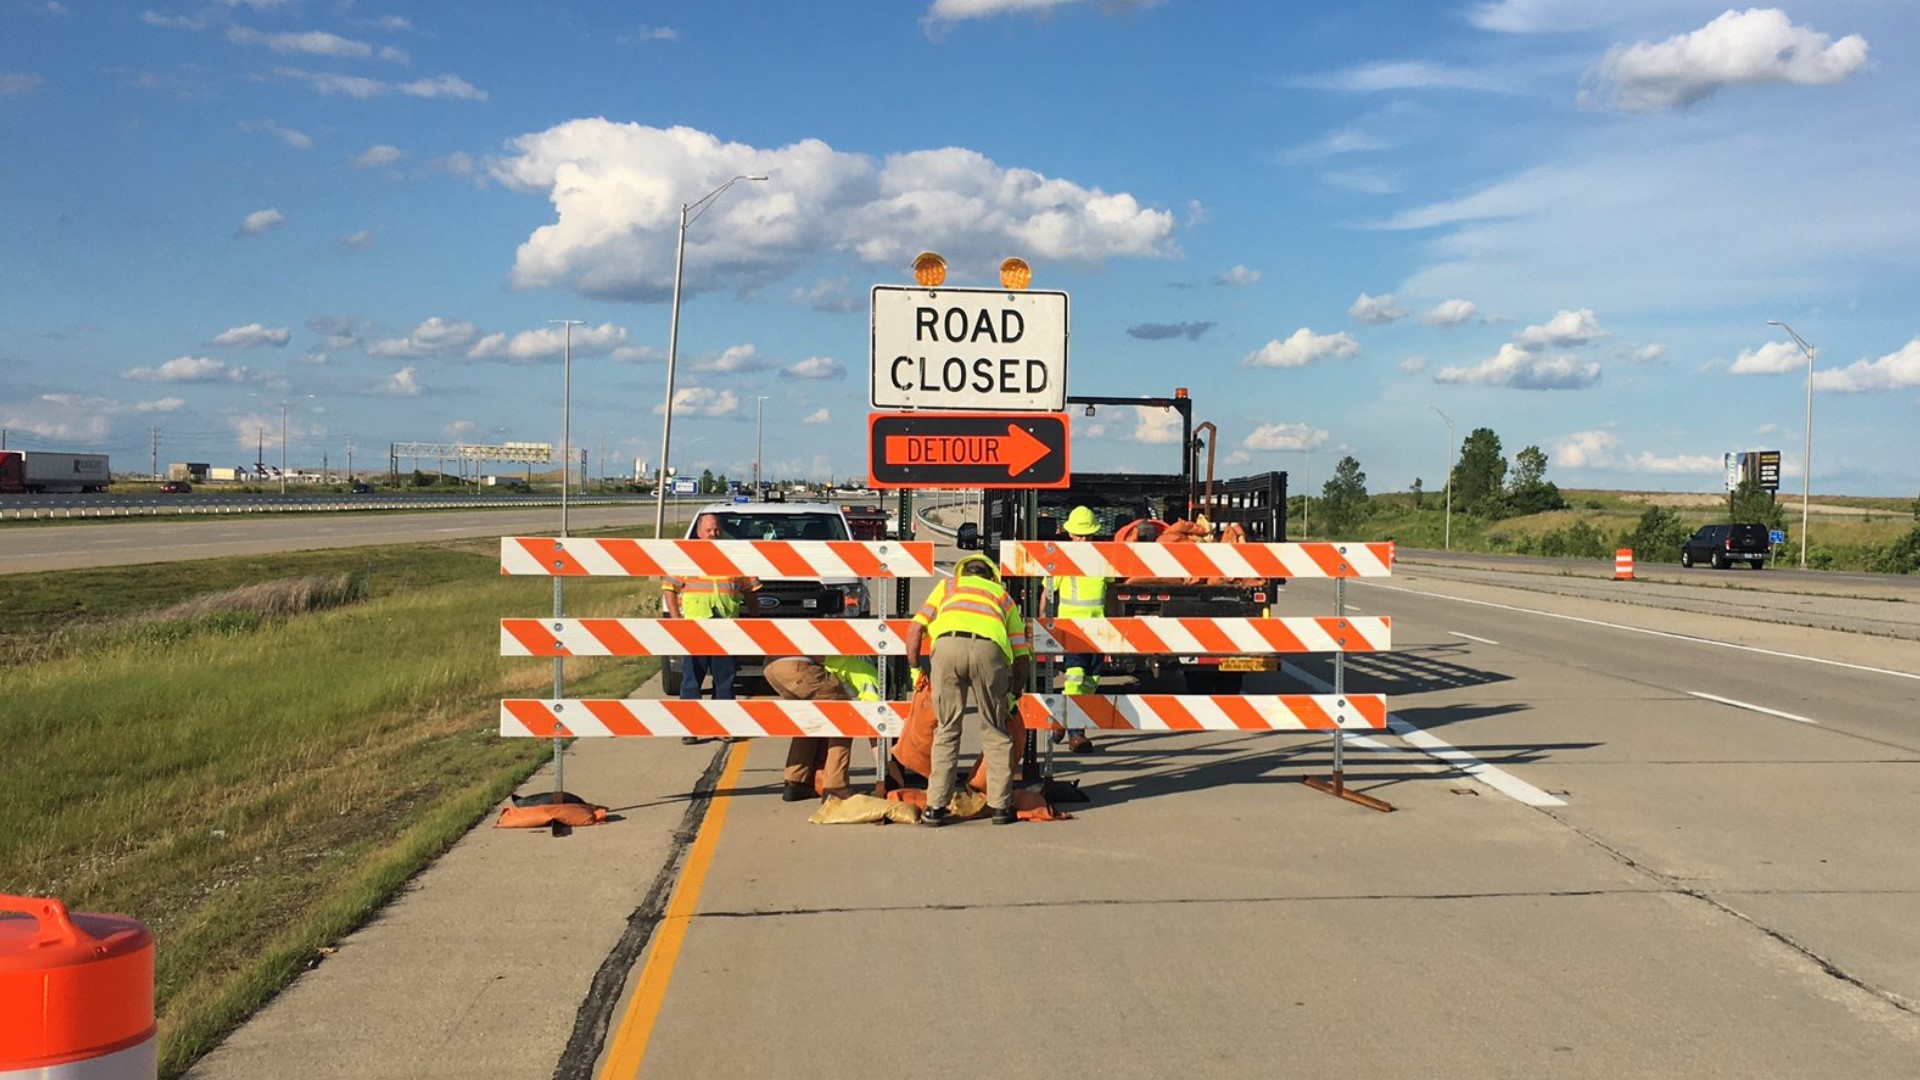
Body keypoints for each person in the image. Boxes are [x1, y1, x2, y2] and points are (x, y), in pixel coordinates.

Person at [902, 553, 1032, 826]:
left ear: (963, 573)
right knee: (995, 730)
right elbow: (1022, 655)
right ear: (991, 577)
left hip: (947, 649)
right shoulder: (1003, 597)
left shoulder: (948, 587)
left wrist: (915, 670)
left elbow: (914, 630)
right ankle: (1000, 807)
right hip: (989, 652)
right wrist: (1013, 695)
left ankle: (935, 807)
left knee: (947, 728)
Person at [664, 512, 759, 744]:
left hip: (726, 628)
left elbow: (751, 591)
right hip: (695, 628)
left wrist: (755, 620)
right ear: (699, 533)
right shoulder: (685, 558)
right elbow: (669, 589)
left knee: (725, 680)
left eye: (716, 529)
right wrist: (676, 621)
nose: (713, 534)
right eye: (708, 530)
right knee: (691, 680)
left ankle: (723, 727)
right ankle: (690, 728)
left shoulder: (734, 557)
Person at [764, 655, 881, 801]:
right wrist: (883, 766)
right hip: (798, 665)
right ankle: (836, 785)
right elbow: (874, 719)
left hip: (772, 666)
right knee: (844, 713)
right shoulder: (864, 670)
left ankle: (796, 781)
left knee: (810, 718)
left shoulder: (841, 661)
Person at [1046, 505, 1108, 753]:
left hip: (1098, 631)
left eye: (1087, 535)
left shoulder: (1102, 559)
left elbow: (1112, 587)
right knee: (1075, 678)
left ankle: (1061, 717)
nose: (1083, 540)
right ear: (1070, 534)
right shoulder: (1062, 558)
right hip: (1071, 631)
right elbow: (1047, 592)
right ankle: (1076, 734)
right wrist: (1045, 623)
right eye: (1079, 535)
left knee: (1091, 682)